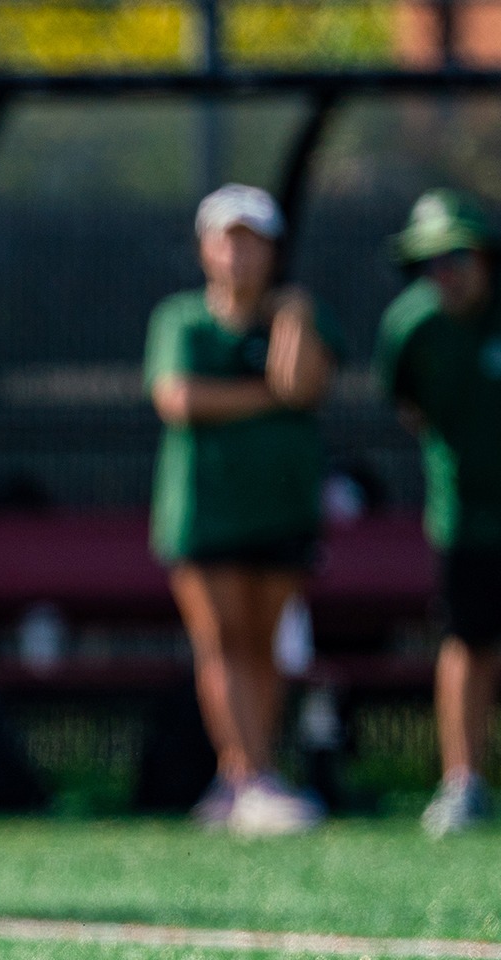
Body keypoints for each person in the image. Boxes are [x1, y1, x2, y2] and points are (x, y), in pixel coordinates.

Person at [145, 184, 337, 836]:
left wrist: (294, 318)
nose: (240, 254)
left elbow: (299, 385)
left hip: (281, 509)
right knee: (221, 641)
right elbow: (181, 400)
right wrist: (264, 399)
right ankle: (248, 775)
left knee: (265, 644)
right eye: (228, 239)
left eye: (253, 241)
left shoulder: (297, 316)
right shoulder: (180, 319)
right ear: (205, 248)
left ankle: (248, 776)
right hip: (204, 514)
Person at [375, 190, 501, 837]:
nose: (443, 273)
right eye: (429, 263)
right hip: (466, 522)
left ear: (484, 257)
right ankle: (463, 783)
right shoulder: (411, 326)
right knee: (469, 646)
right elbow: (406, 401)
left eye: (455, 258)